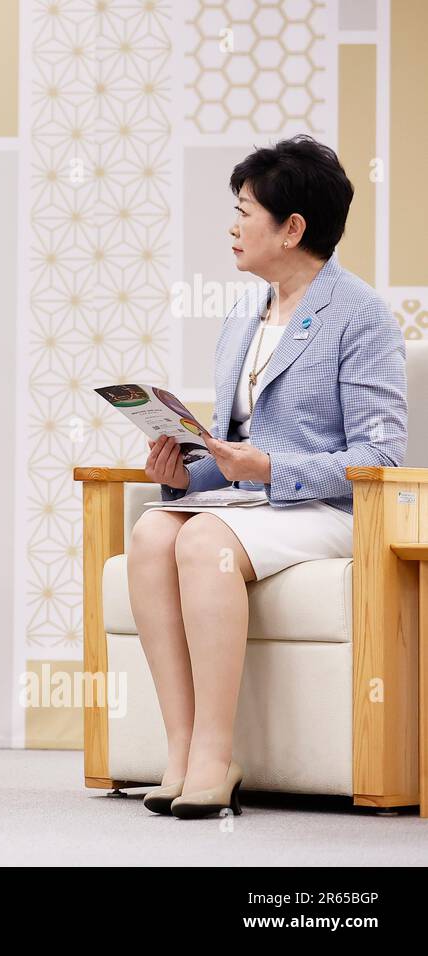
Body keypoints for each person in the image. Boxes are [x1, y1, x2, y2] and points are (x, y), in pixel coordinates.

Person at [131, 135, 407, 818]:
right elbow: (233, 453)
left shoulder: (361, 314)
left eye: (245, 210)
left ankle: (216, 758)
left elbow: (384, 459)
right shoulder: (242, 314)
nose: (232, 225)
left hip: (327, 510)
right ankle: (180, 749)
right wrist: (181, 470)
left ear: (292, 228)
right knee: (149, 533)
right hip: (248, 503)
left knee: (200, 544)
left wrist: (272, 468)